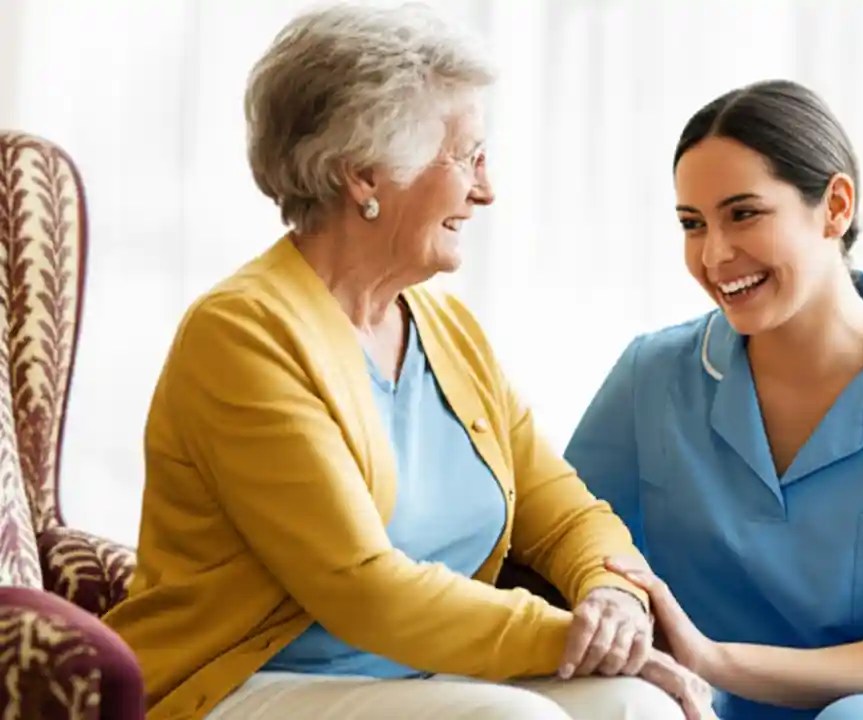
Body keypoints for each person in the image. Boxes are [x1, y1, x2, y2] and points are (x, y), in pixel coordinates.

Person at [102, 4, 712, 719]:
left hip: (420, 679)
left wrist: (613, 596)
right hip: (245, 682)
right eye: (466, 157)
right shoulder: (243, 333)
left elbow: (565, 513)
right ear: (364, 175)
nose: (486, 190)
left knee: (637, 707)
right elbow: (364, 587)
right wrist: (575, 637)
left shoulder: (448, 331)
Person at [564, 79, 863, 720]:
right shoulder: (652, 377)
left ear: (835, 207)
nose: (714, 255)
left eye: (743, 214)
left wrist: (710, 659)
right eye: (694, 224)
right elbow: (564, 545)